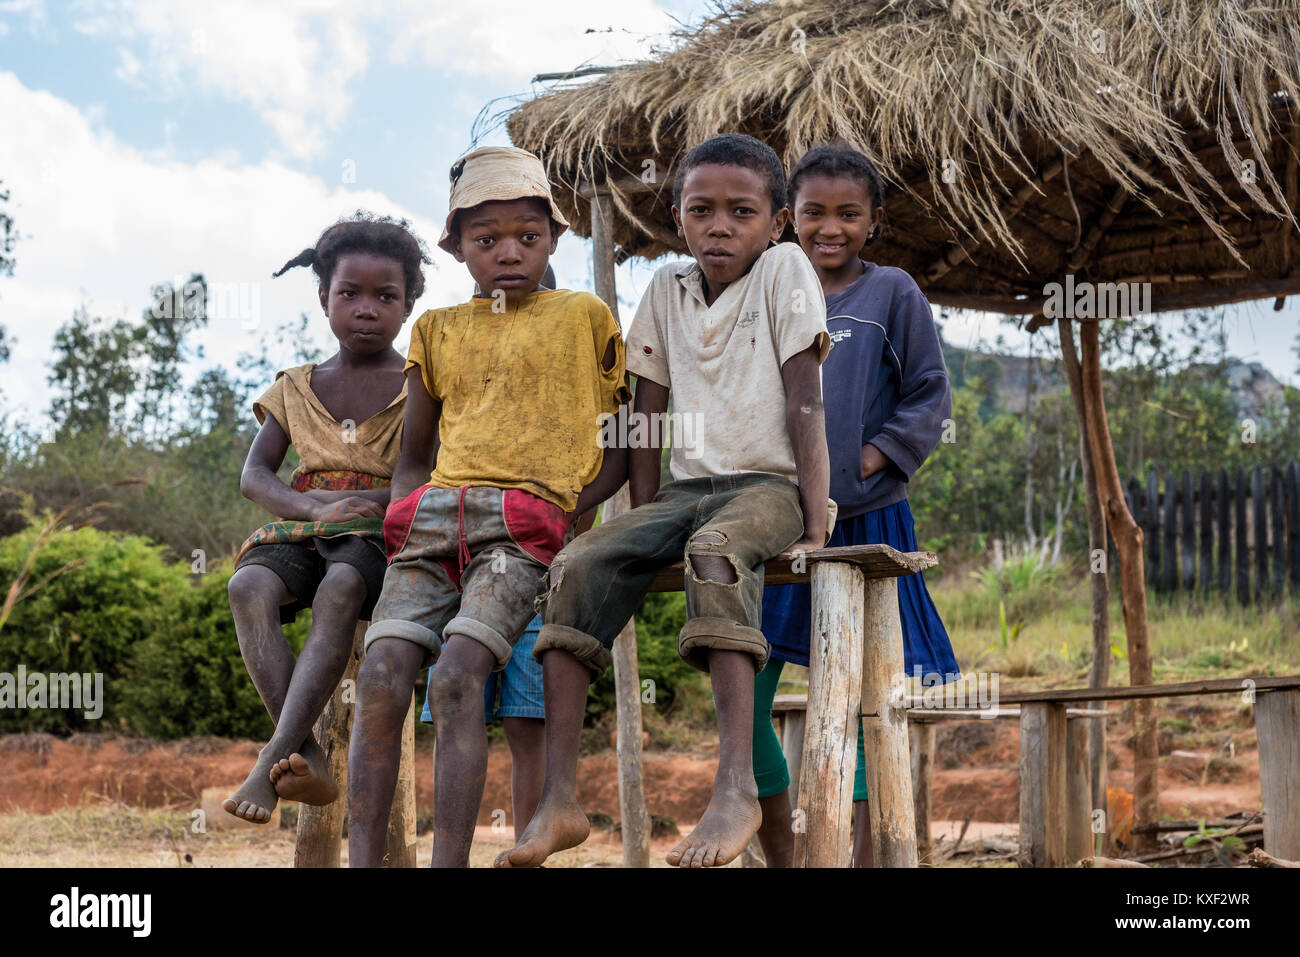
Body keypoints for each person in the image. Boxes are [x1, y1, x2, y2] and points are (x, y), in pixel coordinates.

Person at [497, 132, 834, 869]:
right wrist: (644, 525)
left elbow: (807, 403)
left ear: (776, 221)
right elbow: (646, 417)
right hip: (688, 492)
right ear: (678, 218)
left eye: (741, 212)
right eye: (701, 209)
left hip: (767, 487)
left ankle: (737, 786)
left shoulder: (785, 270)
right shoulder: (667, 291)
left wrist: (815, 521)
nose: (720, 226)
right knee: (581, 561)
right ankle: (559, 798)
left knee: (714, 556)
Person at [347, 146, 629, 868]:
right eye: (487, 239)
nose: (509, 252)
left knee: (456, 672)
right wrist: (403, 514)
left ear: (555, 239)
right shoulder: (436, 331)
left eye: (527, 237)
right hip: (433, 520)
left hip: (522, 528)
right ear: (457, 247)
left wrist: (570, 516)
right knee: (379, 676)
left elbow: (619, 442)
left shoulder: (582, 317)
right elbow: (414, 452)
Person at [752, 143, 959, 867]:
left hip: (865, 520)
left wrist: (871, 458)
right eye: (813, 212)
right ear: (787, 218)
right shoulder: (766, 288)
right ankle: (786, 855)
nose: (829, 227)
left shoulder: (892, 292)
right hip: (773, 520)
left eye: (849, 213)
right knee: (745, 688)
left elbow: (930, 392)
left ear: (874, 221)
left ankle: (869, 857)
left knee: (867, 698)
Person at [223, 213, 430, 823]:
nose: (367, 309)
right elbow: (254, 477)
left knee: (340, 588)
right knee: (247, 585)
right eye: (350, 294)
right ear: (324, 298)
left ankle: (270, 761)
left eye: (385, 296)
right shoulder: (296, 385)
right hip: (303, 524)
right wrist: (311, 505)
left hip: (375, 533)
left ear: (409, 303)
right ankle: (303, 749)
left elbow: (426, 471)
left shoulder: (419, 385)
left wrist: (379, 502)